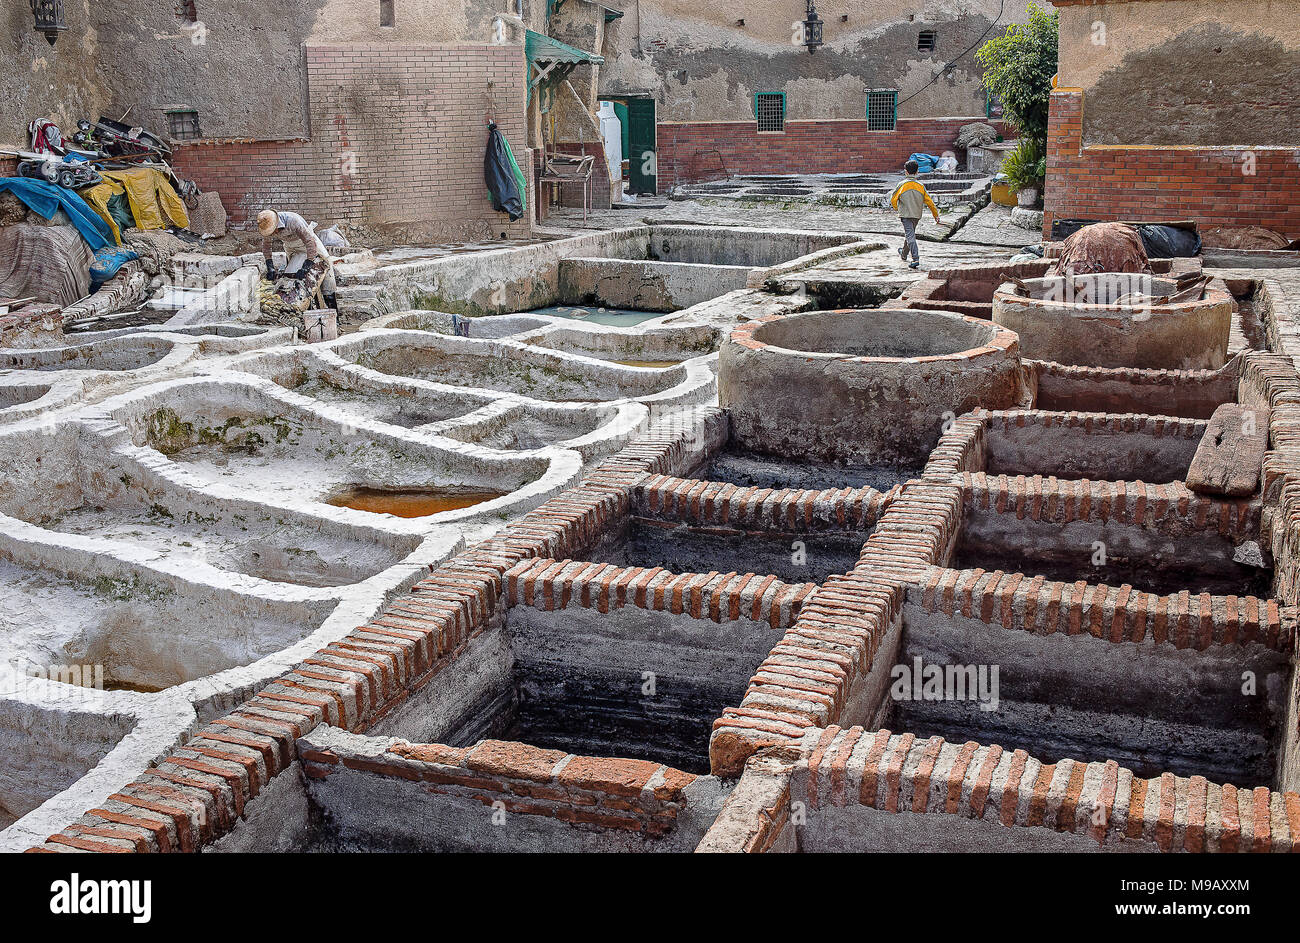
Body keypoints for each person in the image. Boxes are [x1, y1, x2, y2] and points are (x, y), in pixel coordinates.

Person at [257, 209, 336, 306]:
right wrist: (270, 267)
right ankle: (304, 304)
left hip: (307, 241)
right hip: (290, 246)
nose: (274, 233)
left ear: (277, 223)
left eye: (274, 230)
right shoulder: (267, 226)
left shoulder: (293, 221)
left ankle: (331, 305)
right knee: (292, 276)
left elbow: (309, 242)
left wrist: (307, 264)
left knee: (326, 266)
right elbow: (266, 246)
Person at [889, 160, 941, 270]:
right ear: (917, 172)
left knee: (910, 236)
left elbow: (893, 200)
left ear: (905, 172)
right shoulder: (920, 186)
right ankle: (903, 254)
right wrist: (935, 215)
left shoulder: (901, 185)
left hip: (905, 215)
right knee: (910, 234)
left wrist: (897, 208)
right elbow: (929, 202)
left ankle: (915, 258)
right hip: (916, 215)